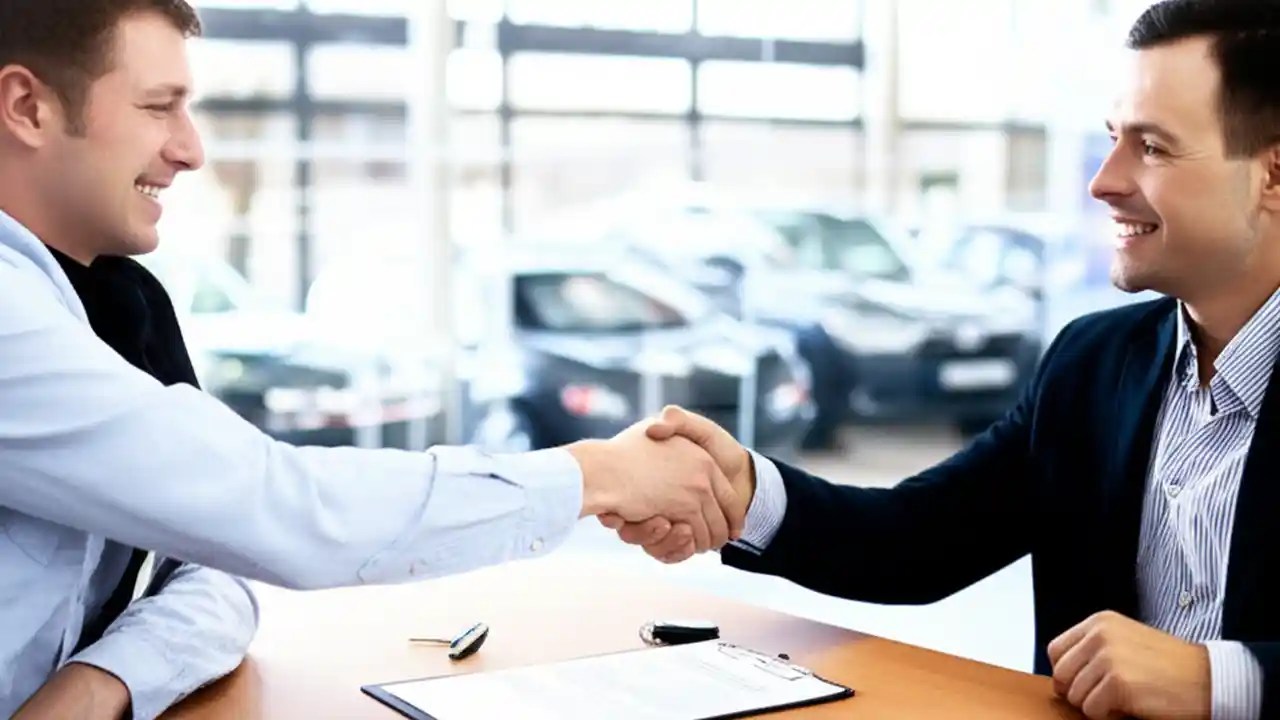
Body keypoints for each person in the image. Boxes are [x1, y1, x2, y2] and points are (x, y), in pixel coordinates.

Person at [0, 2, 743, 718]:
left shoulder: (112, 305)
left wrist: (105, 680)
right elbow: (278, 510)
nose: (190, 149)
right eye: (158, 107)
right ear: (27, 107)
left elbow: (216, 556)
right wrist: (600, 473)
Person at [607, 1, 1280, 718]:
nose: (1103, 181)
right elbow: (917, 541)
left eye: (1153, 147)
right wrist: (741, 491)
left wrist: (1224, 680)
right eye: (1114, 138)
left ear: (1273, 174)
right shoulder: (1092, 363)